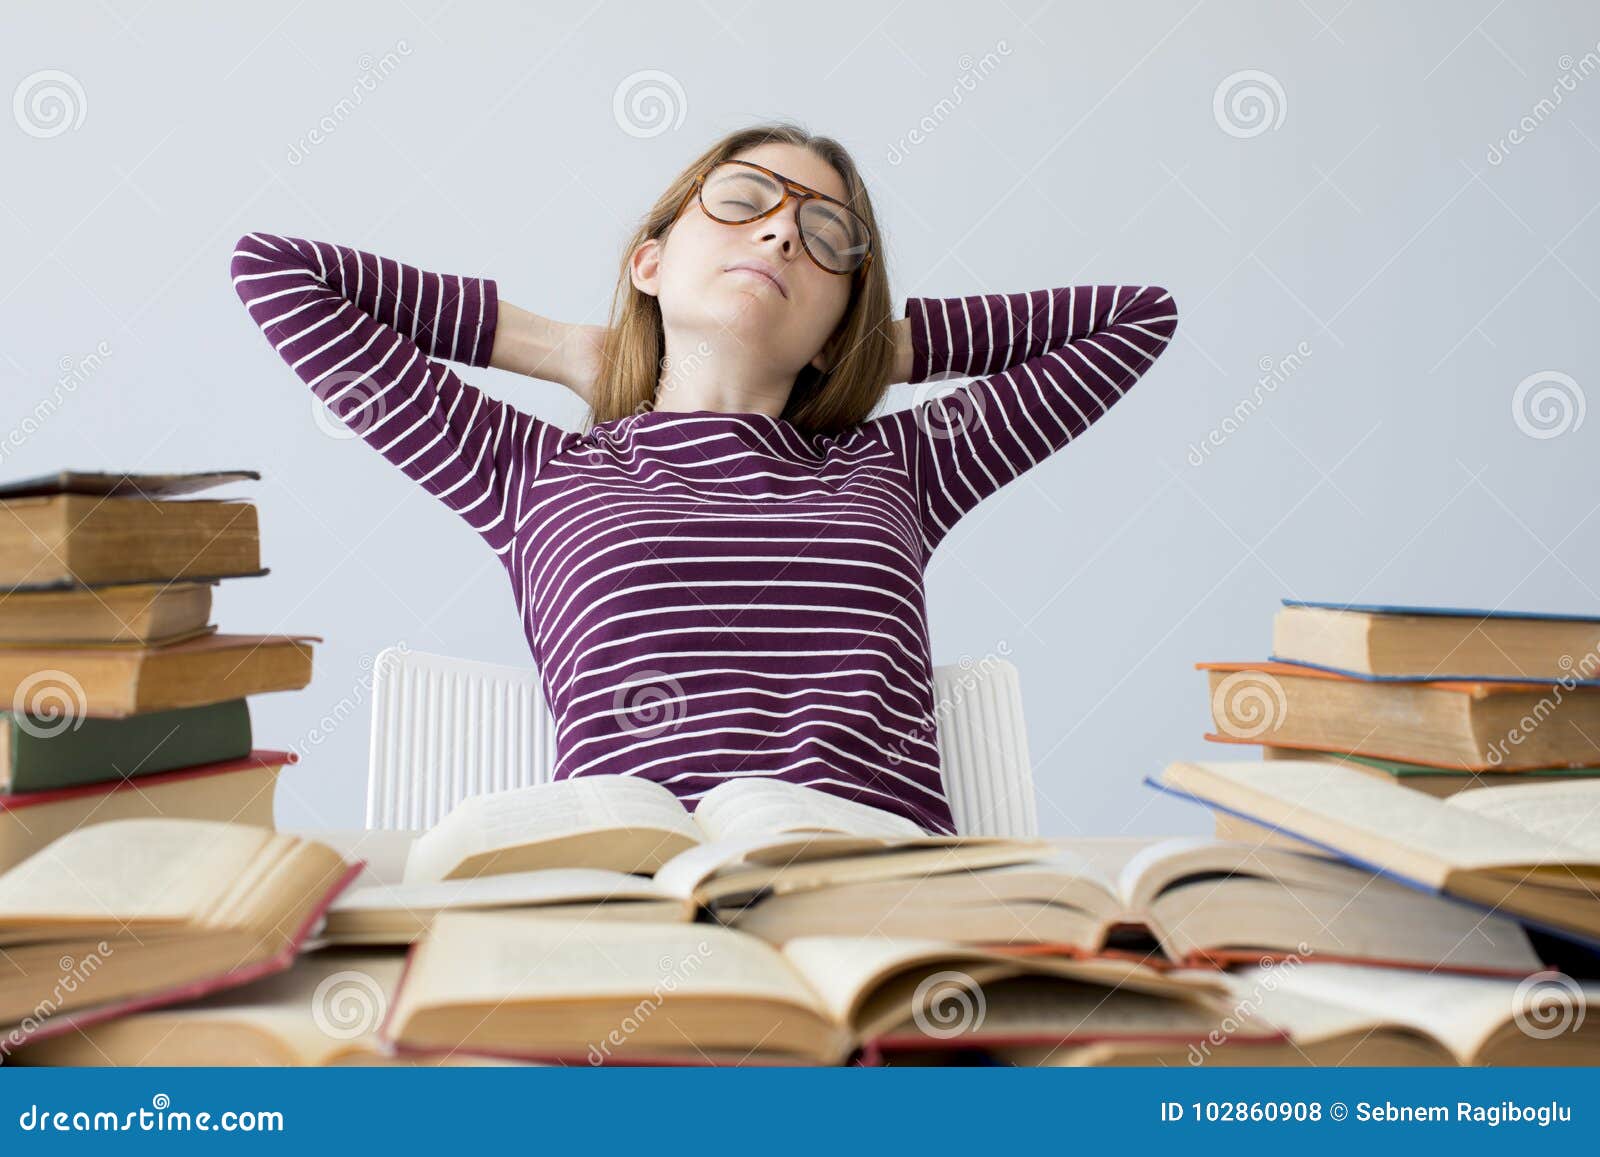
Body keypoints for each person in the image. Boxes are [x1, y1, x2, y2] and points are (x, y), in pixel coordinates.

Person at [229, 121, 1179, 836]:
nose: (779, 238)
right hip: (636, 914)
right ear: (651, 258)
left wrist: (868, 353)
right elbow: (275, 272)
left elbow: (1137, 319)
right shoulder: (533, 472)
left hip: (881, 919)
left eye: (828, 238)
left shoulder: (900, 468)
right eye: (741, 201)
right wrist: (565, 349)